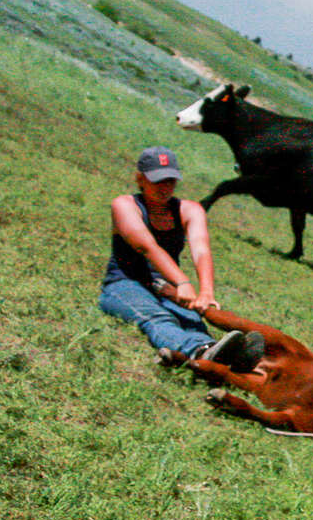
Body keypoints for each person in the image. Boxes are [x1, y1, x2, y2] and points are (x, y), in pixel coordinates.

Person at [99, 146, 263, 370]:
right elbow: (147, 247)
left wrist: (206, 292)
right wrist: (183, 282)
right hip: (125, 284)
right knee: (157, 317)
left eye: (170, 181)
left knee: (193, 323)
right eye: (157, 180)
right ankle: (199, 352)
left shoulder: (190, 210)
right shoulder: (124, 205)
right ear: (140, 179)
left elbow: (201, 250)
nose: (165, 187)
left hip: (167, 289)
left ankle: (219, 358)